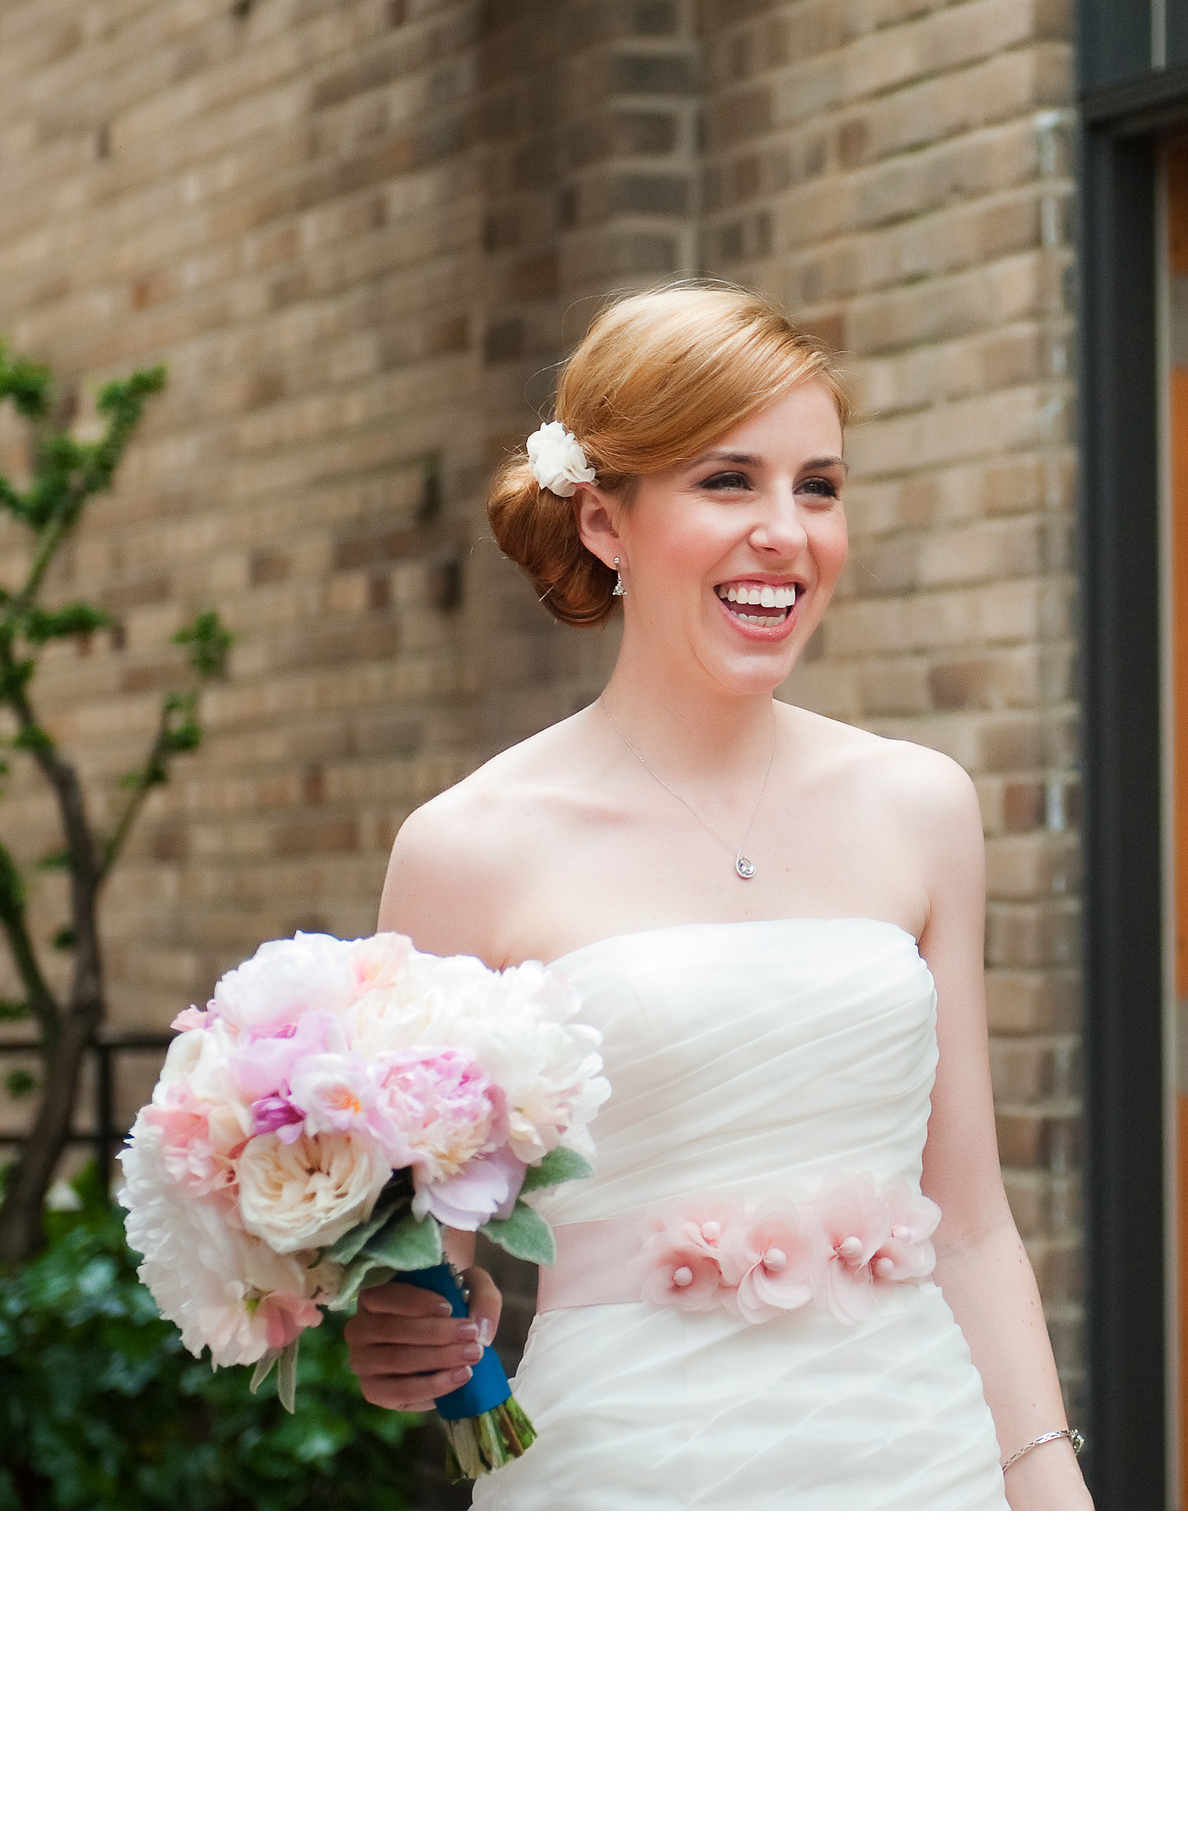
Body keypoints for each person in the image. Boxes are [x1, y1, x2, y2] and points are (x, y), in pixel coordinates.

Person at [344, 281, 1091, 1509]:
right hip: (628, 1482)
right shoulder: (467, 850)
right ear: (604, 522)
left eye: (820, 485)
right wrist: (407, 1330)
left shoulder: (921, 806)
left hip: (920, 1471)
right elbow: (428, 1265)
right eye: (728, 481)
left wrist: (1051, 1492)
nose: (787, 532)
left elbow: (968, 1222)